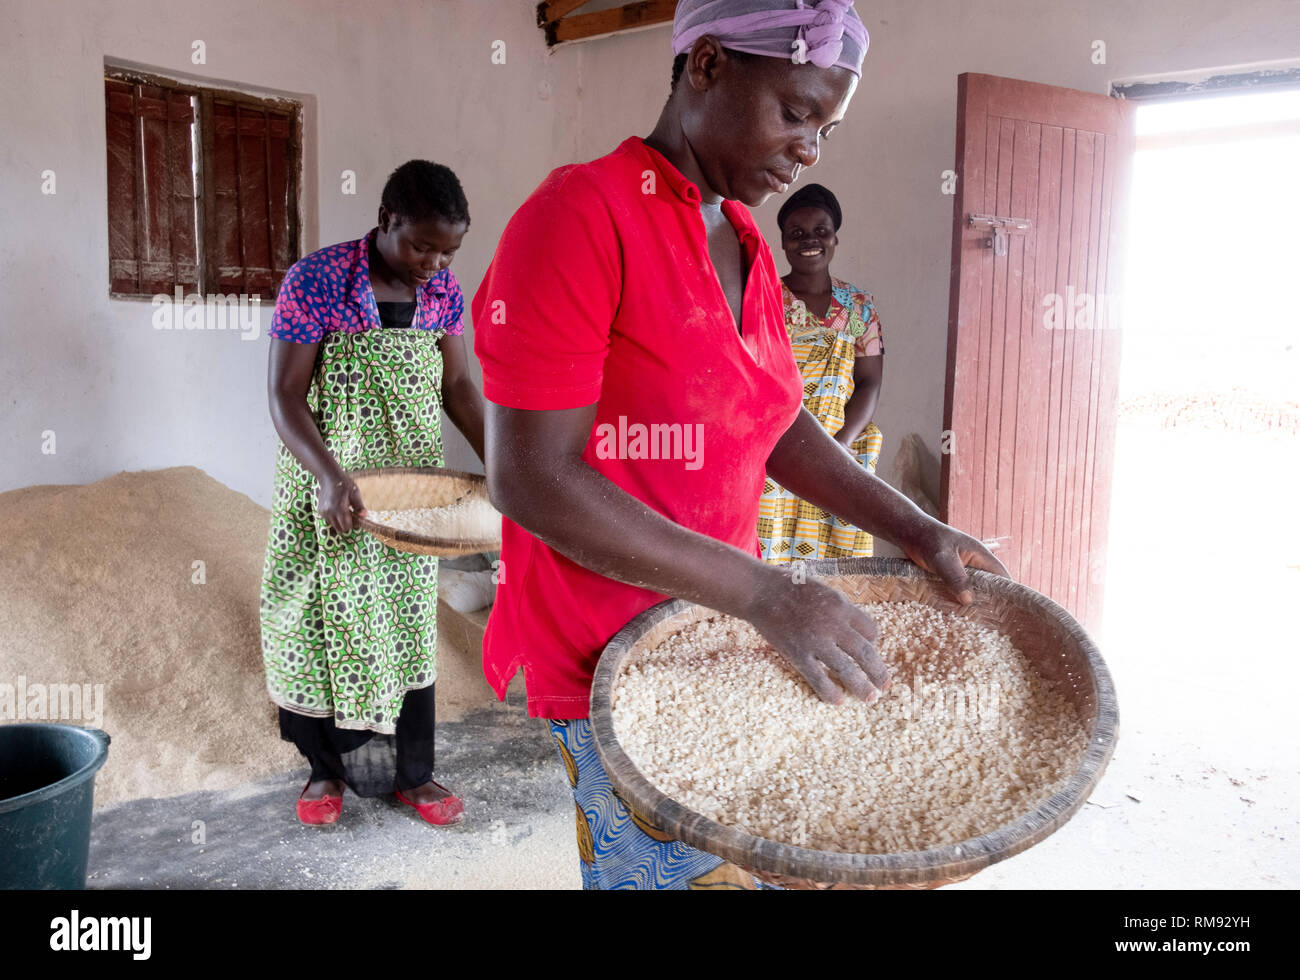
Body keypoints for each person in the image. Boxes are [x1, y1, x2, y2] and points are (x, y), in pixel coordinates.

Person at [472, 0, 1008, 889]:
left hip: (714, 636)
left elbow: (774, 421)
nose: (809, 150)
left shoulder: (744, 241)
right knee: (667, 873)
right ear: (708, 65)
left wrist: (916, 528)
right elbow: (530, 478)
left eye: (825, 129)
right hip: (615, 659)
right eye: (796, 113)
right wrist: (767, 594)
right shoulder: (580, 216)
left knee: (745, 866)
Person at [259, 160, 485, 827]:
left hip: (409, 496)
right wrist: (330, 476)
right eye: (421, 245)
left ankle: (411, 775)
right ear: (385, 220)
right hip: (334, 493)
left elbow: (459, 389)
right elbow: (283, 395)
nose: (433, 263)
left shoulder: (442, 293)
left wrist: (501, 462)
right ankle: (325, 772)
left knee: (404, 629)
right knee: (326, 627)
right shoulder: (317, 281)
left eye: (448, 252)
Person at [758, 181, 885, 561]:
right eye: (796, 233)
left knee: (837, 562)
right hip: (776, 448)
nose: (808, 240)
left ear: (835, 239)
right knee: (769, 557)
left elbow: (869, 382)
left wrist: (839, 447)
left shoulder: (860, 306)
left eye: (820, 231)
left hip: (842, 447)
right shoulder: (763, 299)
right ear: (782, 242)